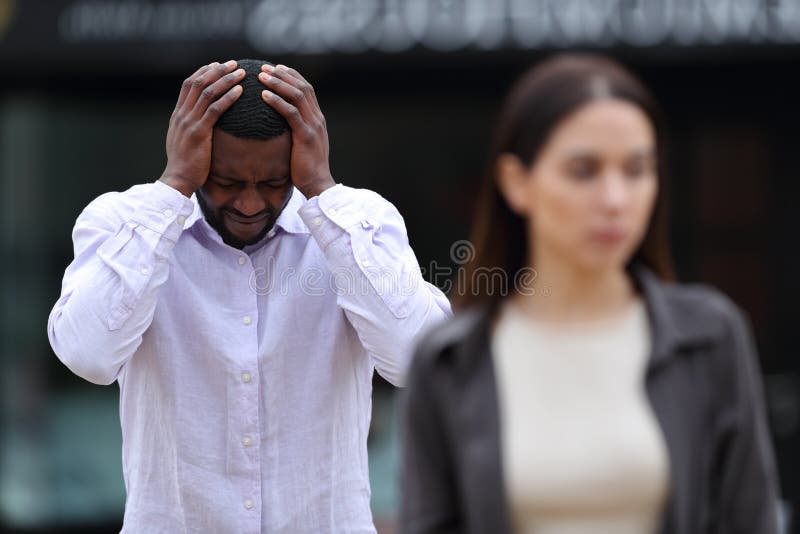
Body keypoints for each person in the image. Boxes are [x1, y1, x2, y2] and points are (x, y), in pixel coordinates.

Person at [47, 58, 451, 533]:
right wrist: (173, 186)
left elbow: (416, 361)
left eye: (274, 183)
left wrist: (322, 189)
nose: (250, 203)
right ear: (195, 158)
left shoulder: (359, 225)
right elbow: (87, 356)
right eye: (228, 183)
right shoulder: (123, 223)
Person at [399, 54, 781, 534]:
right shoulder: (451, 359)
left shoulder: (708, 338)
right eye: (584, 170)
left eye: (637, 169)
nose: (616, 199)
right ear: (517, 183)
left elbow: (750, 518)